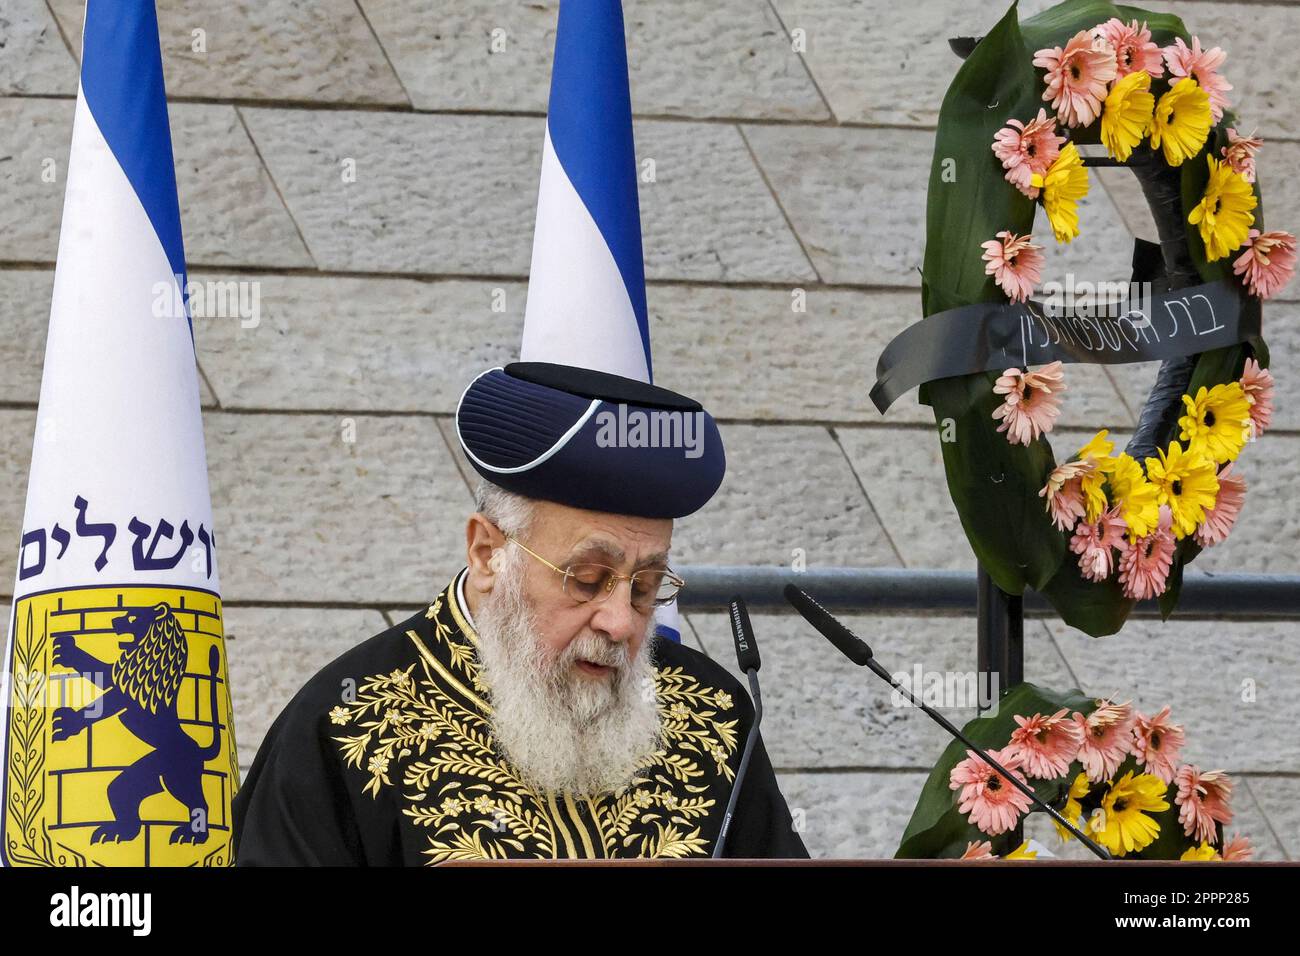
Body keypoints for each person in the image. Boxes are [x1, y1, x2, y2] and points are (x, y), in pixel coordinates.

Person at [233, 362, 807, 863]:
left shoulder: (712, 713)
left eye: (645, 587)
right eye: (587, 580)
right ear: (488, 554)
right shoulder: (345, 723)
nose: (620, 623)